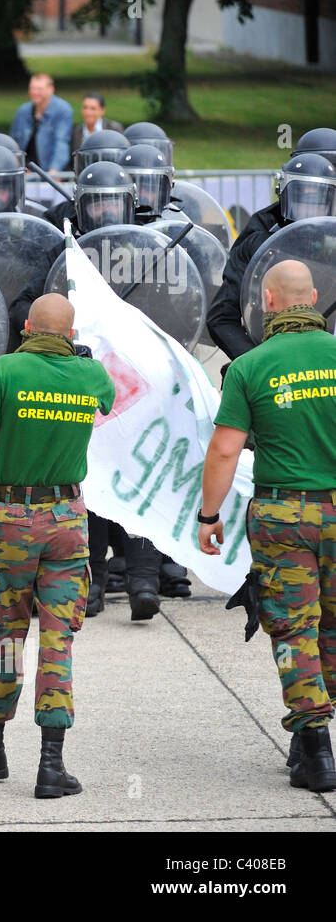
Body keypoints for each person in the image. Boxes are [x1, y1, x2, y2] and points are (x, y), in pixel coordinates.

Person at [0, 293, 115, 798]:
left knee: (4, 635)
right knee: (57, 640)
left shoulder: (5, 370)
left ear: (25, 327)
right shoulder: (92, 376)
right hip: (68, 519)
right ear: (70, 333)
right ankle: (50, 764)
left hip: (12, 519)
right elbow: (108, 400)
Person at [197, 260, 336, 793]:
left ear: (270, 301)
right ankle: (311, 733)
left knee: (295, 628)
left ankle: (316, 748)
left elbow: (225, 449)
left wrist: (209, 516)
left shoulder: (250, 367)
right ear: (316, 298)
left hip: (284, 516)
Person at [207, 153, 336, 361]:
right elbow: (221, 317)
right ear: (284, 194)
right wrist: (261, 363)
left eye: (318, 202)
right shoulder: (259, 244)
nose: (310, 212)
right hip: (267, 353)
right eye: (302, 200)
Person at [9, 73, 72, 175]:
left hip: (48, 172)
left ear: (51, 89)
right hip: (24, 172)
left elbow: (62, 143)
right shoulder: (22, 111)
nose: (35, 92)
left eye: (39, 89)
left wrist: (54, 171)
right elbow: (12, 144)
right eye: (32, 88)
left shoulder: (62, 110)